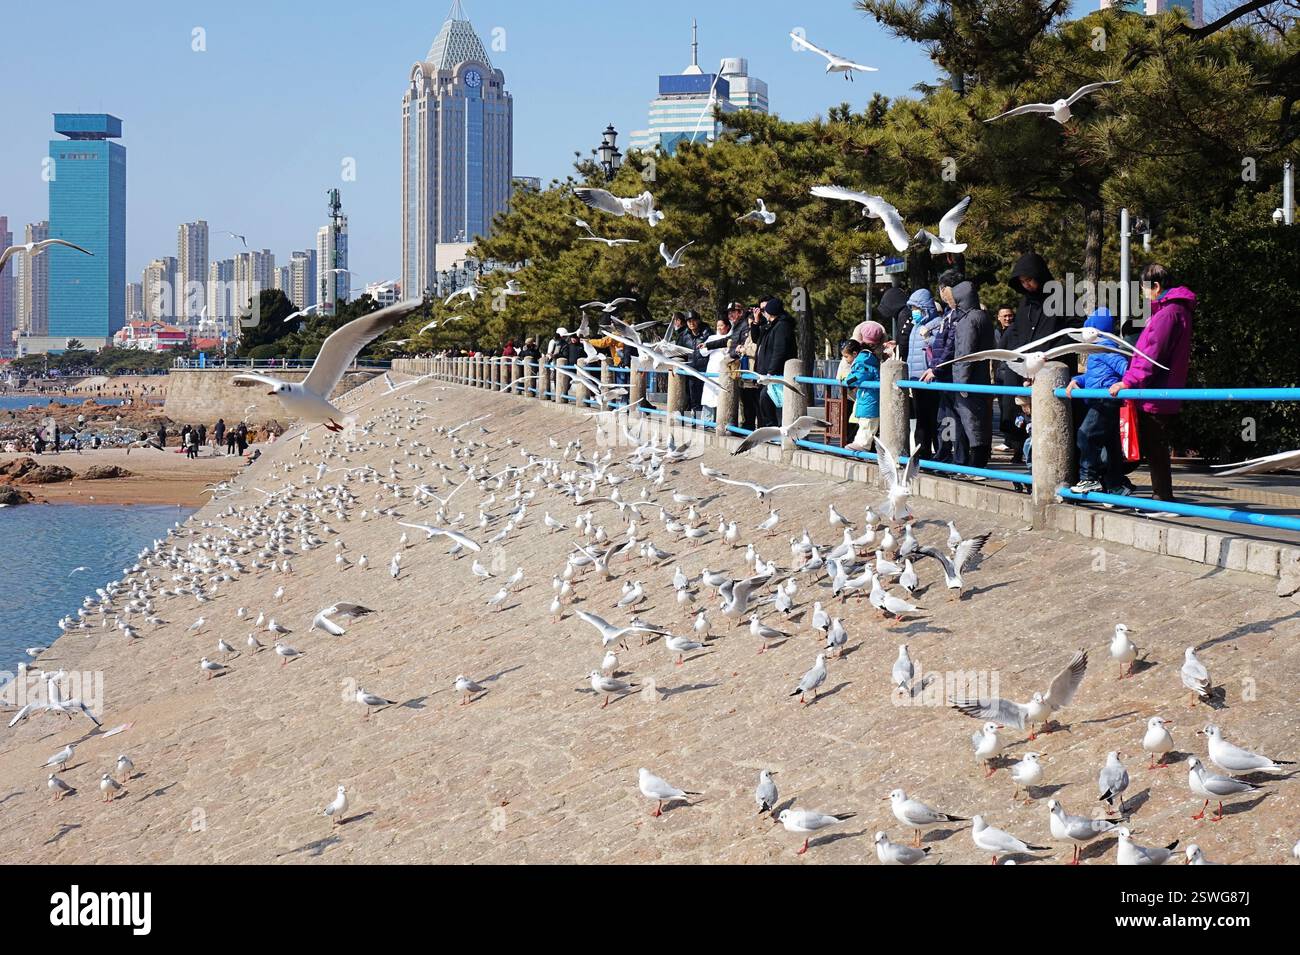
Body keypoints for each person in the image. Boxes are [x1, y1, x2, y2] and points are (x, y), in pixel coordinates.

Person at [1107, 263, 1195, 502]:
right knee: (1154, 448)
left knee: (1153, 448)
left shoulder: (1167, 314)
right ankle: (1160, 496)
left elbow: (1151, 353)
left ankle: (1162, 498)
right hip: (1163, 388)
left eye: (1145, 289)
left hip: (1155, 391)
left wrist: (1130, 381)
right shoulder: (1176, 311)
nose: (1143, 295)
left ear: (1155, 286)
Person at [1066, 307, 1131, 495]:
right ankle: (1115, 484)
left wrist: (1123, 383)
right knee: (1112, 445)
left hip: (1104, 400)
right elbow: (1093, 376)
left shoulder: (1106, 348)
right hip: (1101, 399)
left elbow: (1125, 368)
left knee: (1085, 435)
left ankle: (1088, 478)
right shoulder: (1097, 349)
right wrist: (1076, 380)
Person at [942, 269, 996, 470]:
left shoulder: (967, 321)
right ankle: (977, 463)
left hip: (968, 381)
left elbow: (965, 353)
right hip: (981, 377)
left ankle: (976, 467)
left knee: (971, 422)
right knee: (980, 422)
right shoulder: (982, 316)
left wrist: (961, 382)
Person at [903, 289, 941, 458]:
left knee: (932, 419)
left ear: (925, 308)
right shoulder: (916, 327)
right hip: (916, 379)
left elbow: (940, 347)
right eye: (912, 308)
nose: (914, 312)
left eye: (916, 308)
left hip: (930, 379)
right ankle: (921, 454)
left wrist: (928, 338)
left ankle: (937, 453)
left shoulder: (937, 324)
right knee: (921, 419)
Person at [753, 297, 796, 428]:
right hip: (767, 372)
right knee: (765, 400)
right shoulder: (771, 326)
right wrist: (756, 323)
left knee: (768, 399)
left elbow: (779, 351)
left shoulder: (782, 326)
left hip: (777, 374)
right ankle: (770, 429)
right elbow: (757, 339)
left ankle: (775, 429)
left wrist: (771, 372)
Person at [843, 321, 885, 452]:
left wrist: (847, 381)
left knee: (868, 422)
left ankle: (863, 444)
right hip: (867, 395)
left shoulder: (864, 358)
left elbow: (860, 374)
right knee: (864, 421)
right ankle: (860, 443)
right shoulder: (869, 356)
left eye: (846, 356)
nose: (845, 360)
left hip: (870, 396)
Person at [992, 305, 1023, 461]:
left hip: (1014, 377)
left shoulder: (1019, 332)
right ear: (998, 318)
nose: (1007, 318)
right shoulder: (995, 333)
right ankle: (1008, 441)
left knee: (1016, 411)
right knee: (1004, 410)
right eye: (1004, 316)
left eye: (1010, 315)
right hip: (1000, 377)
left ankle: (1018, 448)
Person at [698, 315, 733, 424]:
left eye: (721, 325)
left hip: (725, 372)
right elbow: (703, 352)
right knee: (709, 397)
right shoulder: (712, 338)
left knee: (722, 398)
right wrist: (711, 346)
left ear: (727, 326)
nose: (719, 328)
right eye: (717, 326)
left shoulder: (731, 338)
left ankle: (721, 422)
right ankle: (707, 422)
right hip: (712, 371)